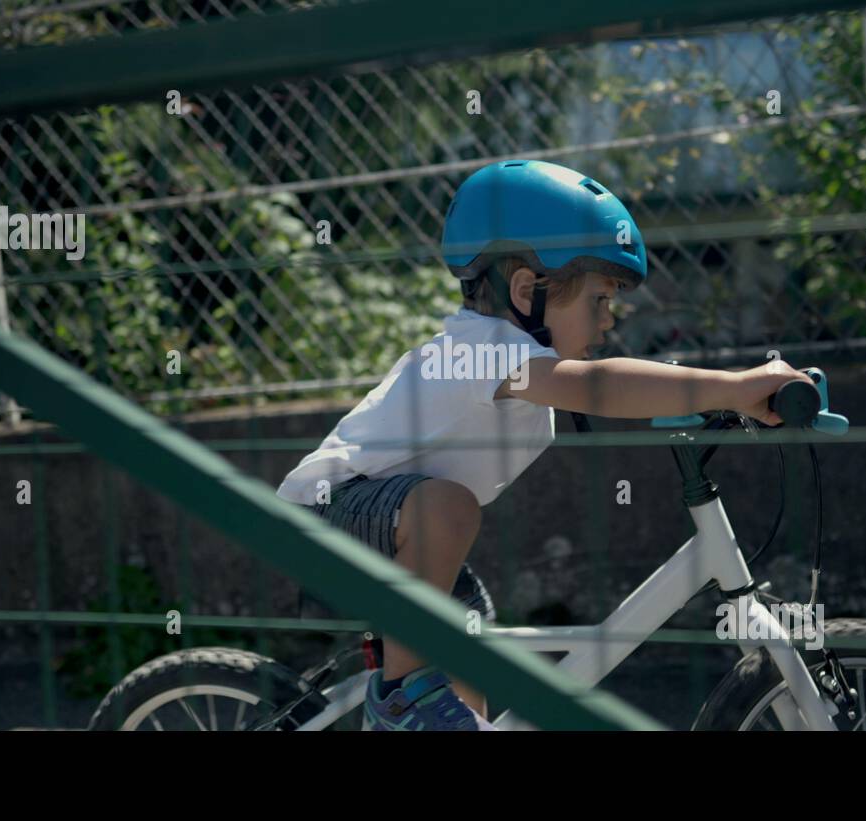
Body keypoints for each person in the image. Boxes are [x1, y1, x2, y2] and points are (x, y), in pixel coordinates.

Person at [275, 159, 812, 730]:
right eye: (599, 300)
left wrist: (713, 402)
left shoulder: (517, 362)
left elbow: (614, 389)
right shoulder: (481, 348)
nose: (607, 322)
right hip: (329, 515)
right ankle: (402, 698)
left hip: (391, 527)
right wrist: (737, 386)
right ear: (527, 290)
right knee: (449, 510)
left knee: (470, 634)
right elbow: (599, 387)